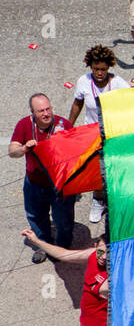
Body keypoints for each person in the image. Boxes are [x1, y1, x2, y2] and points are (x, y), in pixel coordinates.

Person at [69, 45, 130, 224]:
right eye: (96, 69)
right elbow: (77, 104)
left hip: (114, 133)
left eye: (103, 69)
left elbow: (131, 104)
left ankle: (115, 202)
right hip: (92, 134)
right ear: (91, 67)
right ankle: (98, 200)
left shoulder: (119, 83)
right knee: (97, 170)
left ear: (109, 68)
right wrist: (68, 127)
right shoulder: (83, 82)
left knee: (113, 169)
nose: (99, 73)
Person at [11, 94, 74, 260]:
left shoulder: (63, 125)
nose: (46, 113)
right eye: (41, 111)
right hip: (34, 182)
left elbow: (76, 152)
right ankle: (42, 245)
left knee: (63, 219)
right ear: (32, 112)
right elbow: (12, 151)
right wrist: (24, 148)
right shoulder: (24, 125)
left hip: (60, 183)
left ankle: (62, 248)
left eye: (48, 109)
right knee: (36, 217)